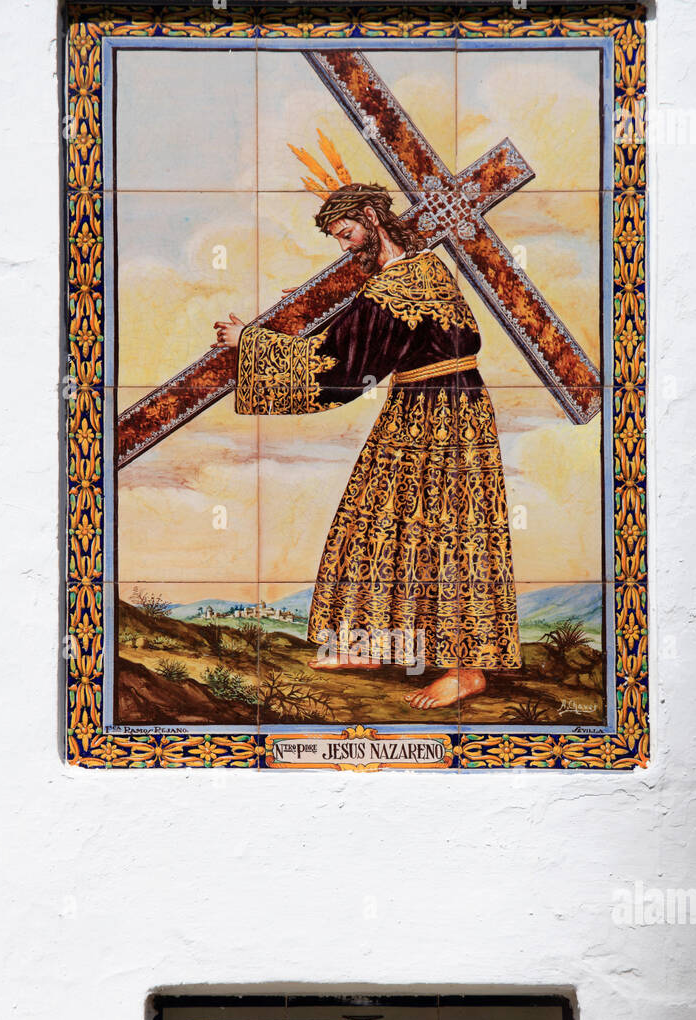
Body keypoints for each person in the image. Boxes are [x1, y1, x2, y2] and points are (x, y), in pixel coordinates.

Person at [213, 182, 520, 710]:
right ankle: (370, 642)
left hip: (446, 415)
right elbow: (361, 330)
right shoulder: (417, 271)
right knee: (379, 517)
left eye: (347, 232)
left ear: (374, 217)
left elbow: (345, 367)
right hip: (419, 405)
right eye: (337, 237)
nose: (344, 246)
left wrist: (253, 343)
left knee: (450, 531)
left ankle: (467, 671)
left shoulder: (397, 287)